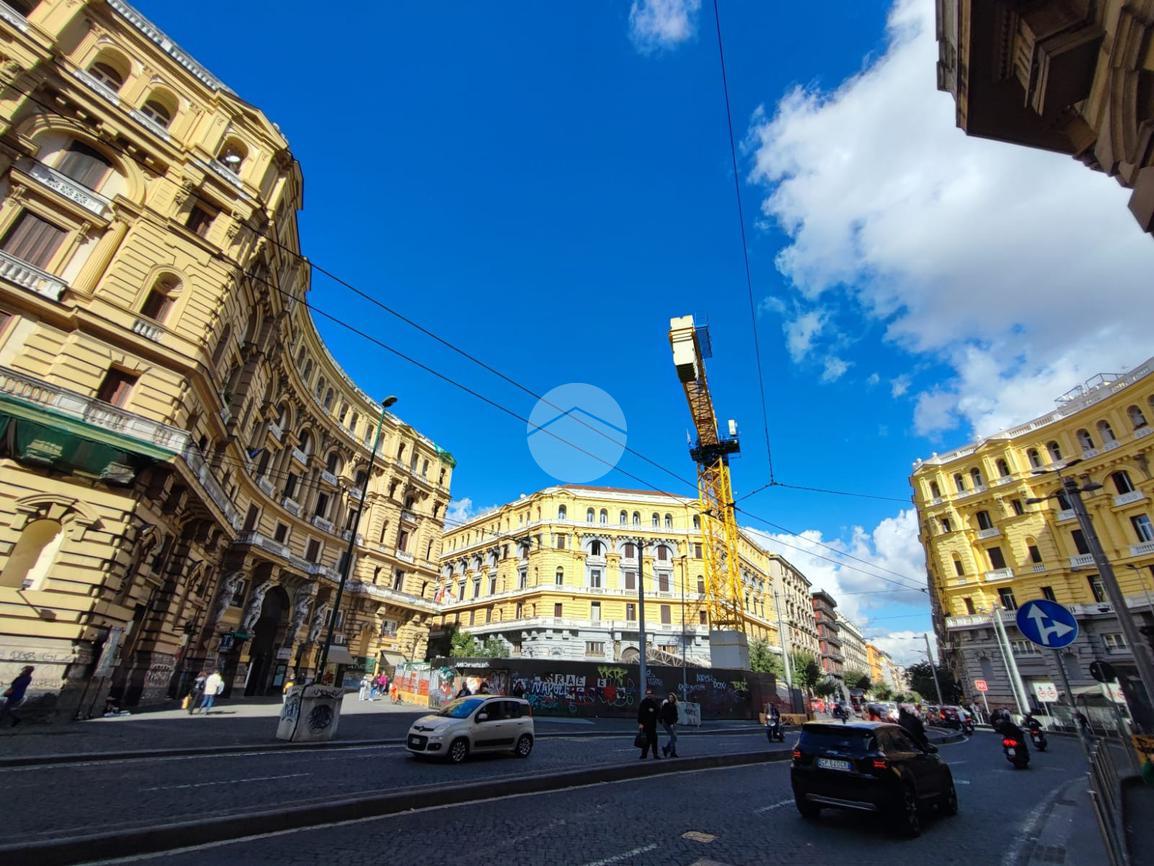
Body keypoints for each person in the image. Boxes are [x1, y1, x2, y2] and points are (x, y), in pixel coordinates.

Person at [637, 686, 661, 760]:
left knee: (654, 740)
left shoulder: (654, 703)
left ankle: (655, 754)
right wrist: (640, 723)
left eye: (650, 693)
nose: (649, 695)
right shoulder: (644, 702)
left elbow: (657, 712)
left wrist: (660, 719)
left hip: (652, 725)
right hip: (645, 724)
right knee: (645, 740)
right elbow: (640, 713)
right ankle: (644, 755)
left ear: (653, 694)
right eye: (647, 693)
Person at [660, 692, 679, 757]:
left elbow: (675, 716)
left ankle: (667, 750)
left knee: (673, 737)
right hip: (666, 723)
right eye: (669, 697)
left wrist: (674, 722)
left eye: (672, 697)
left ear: (674, 698)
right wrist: (670, 723)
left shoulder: (674, 706)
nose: (670, 699)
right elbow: (664, 715)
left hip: (672, 723)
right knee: (673, 737)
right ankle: (671, 752)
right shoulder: (666, 705)